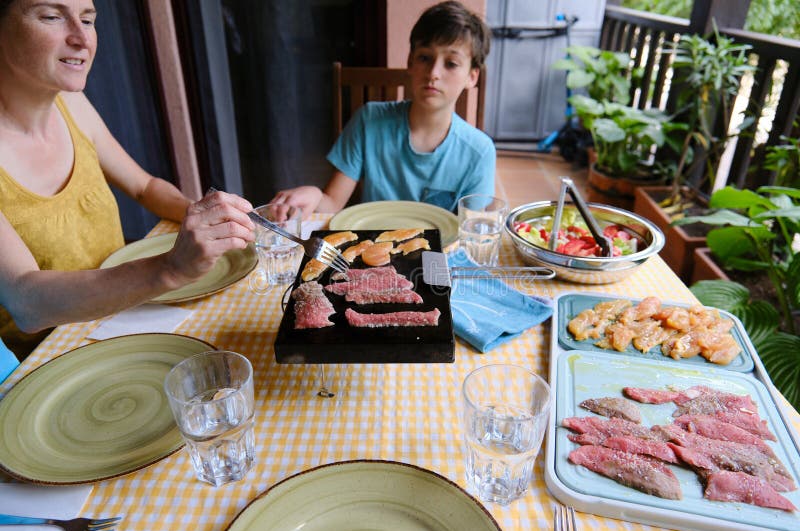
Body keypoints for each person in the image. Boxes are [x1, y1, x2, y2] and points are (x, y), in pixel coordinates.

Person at [0, 0, 255, 359]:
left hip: (121, 318)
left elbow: (145, 187)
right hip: (48, 362)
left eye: (88, 19)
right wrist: (169, 269)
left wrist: (208, 216)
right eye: (52, 17)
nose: (81, 38)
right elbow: (27, 302)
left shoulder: (70, 104)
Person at [271, 0, 494, 215]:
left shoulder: (479, 152)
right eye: (425, 58)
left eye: (451, 63)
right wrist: (315, 195)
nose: (434, 73)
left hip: (439, 254)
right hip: (372, 250)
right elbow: (332, 203)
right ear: (410, 62)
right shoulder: (369, 121)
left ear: (472, 77)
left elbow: (470, 234)